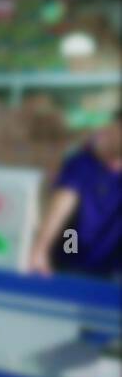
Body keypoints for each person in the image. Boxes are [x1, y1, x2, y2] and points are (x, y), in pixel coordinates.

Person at [30, 112, 122, 279]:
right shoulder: (83, 163)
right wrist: (40, 250)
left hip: (109, 270)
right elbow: (61, 205)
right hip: (71, 259)